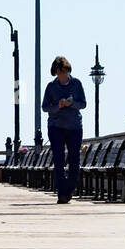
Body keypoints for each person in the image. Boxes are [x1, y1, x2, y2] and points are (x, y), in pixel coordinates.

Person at [41, 56, 86, 203]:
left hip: (74, 127)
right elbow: (45, 107)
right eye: (59, 73)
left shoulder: (76, 84)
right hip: (56, 127)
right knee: (58, 160)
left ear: (68, 70)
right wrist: (57, 106)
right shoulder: (51, 87)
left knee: (74, 160)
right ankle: (62, 193)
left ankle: (69, 188)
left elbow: (83, 104)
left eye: (64, 72)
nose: (62, 75)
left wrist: (71, 104)